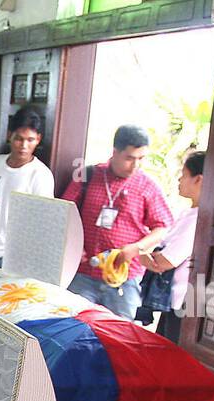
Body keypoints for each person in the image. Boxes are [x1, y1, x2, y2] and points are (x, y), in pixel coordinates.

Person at [60, 123, 173, 318]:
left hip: (124, 278)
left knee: (120, 337)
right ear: (115, 152)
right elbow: (62, 213)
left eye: (141, 158)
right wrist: (73, 246)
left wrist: (136, 248)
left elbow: (162, 227)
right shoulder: (88, 175)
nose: (136, 165)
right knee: (74, 329)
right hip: (82, 272)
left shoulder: (147, 186)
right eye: (129, 158)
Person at [139, 150, 203, 343]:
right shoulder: (188, 214)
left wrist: (142, 253)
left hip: (184, 305)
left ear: (198, 180)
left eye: (183, 175)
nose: (179, 180)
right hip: (175, 302)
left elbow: (164, 261)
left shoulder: (197, 220)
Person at [0, 106, 54, 270]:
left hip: (15, 257)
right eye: (19, 139)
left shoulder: (41, 175)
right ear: (9, 136)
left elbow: (42, 222)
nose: (24, 145)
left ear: (38, 139)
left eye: (30, 140)